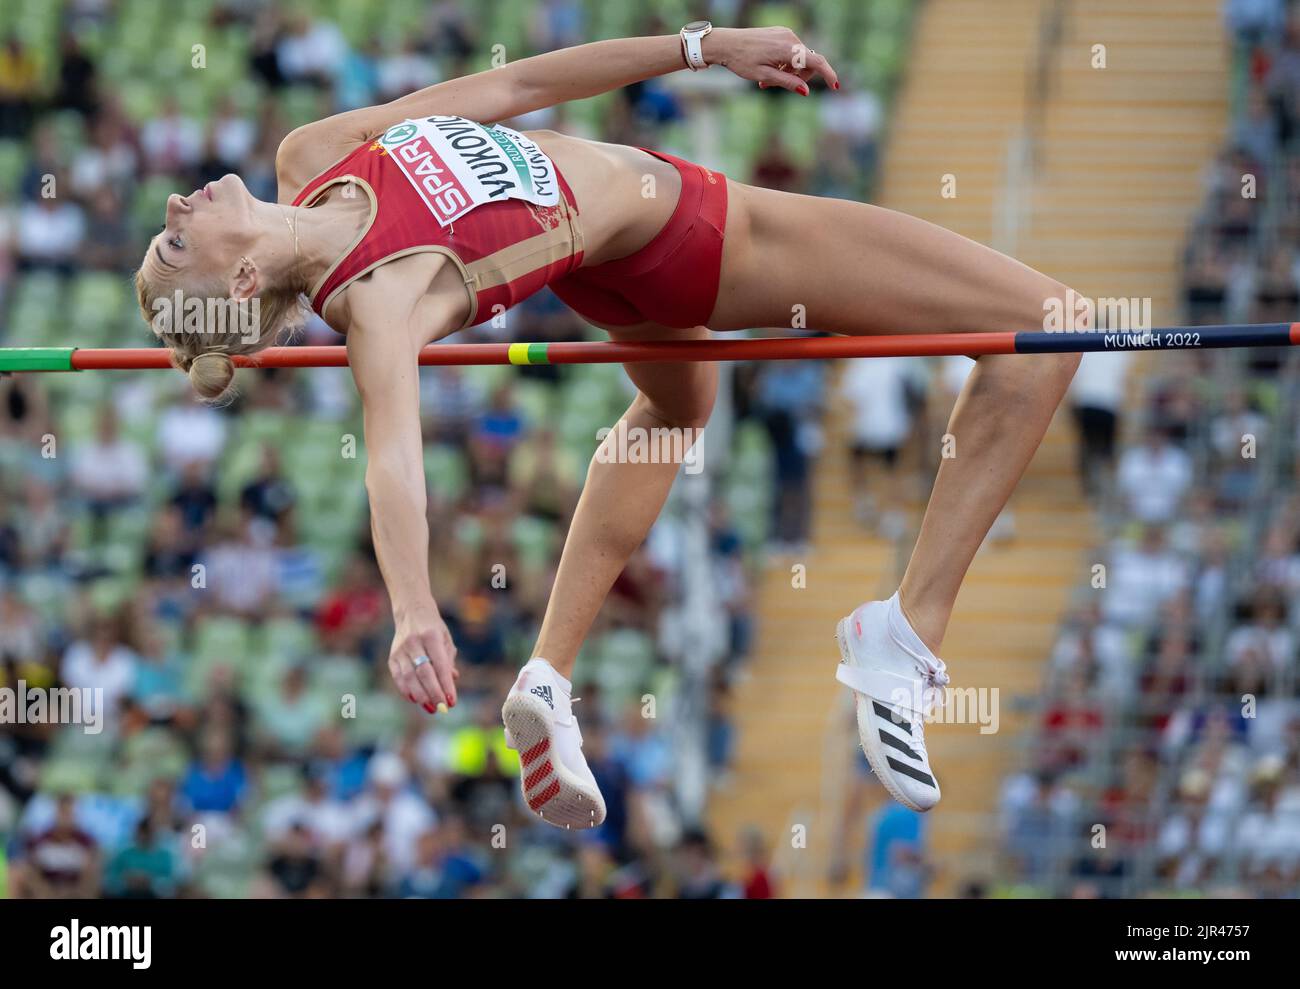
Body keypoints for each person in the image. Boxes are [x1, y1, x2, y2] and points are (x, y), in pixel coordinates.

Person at [133, 23, 1087, 823]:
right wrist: (415, 610)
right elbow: (393, 457)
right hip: (701, 236)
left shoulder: (312, 156)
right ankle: (903, 634)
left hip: (615, 265)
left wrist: (702, 46)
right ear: (242, 280)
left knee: (677, 409)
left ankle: (549, 676)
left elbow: (519, 82)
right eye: (177, 240)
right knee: (1050, 326)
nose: (177, 203)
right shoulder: (376, 304)